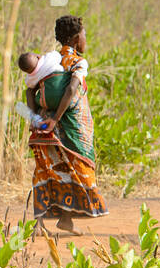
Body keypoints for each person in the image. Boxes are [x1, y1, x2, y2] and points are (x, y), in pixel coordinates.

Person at [25, 14, 107, 235]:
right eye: (84, 35)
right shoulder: (77, 62)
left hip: (43, 126)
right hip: (67, 128)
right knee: (78, 170)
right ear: (74, 38)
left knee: (46, 170)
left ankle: (45, 223)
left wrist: (36, 118)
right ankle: (65, 217)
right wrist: (56, 120)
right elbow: (71, 90)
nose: (85, 39)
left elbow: (29, 89)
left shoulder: (47, 60)